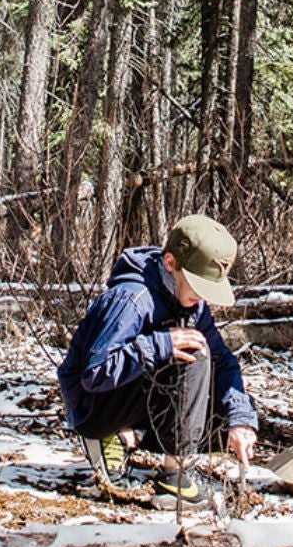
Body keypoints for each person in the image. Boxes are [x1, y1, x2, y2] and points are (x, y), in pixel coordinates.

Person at [57, 213, 259, 506]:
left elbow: (225, 363)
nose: (203, 297)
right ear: (170, 263)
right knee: (193, 351)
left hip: (136, 400)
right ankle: (171, 474)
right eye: (197, 285)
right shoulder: (132, 299)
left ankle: (138, 436)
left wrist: (241, 420)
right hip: (94, 407)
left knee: (223, 409)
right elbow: (95, 373)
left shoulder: (193, 306)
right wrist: (160, 344)